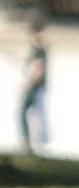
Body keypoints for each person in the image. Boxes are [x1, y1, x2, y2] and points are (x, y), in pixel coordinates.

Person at [18, 16, 48, 156]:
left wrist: (29, 84)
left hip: (33, 87)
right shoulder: (37, 47)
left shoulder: (39, 47)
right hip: (35, 86)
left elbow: (38, 68)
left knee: (24, 114)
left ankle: (29, 144)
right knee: (34, 116)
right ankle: (32, 144)